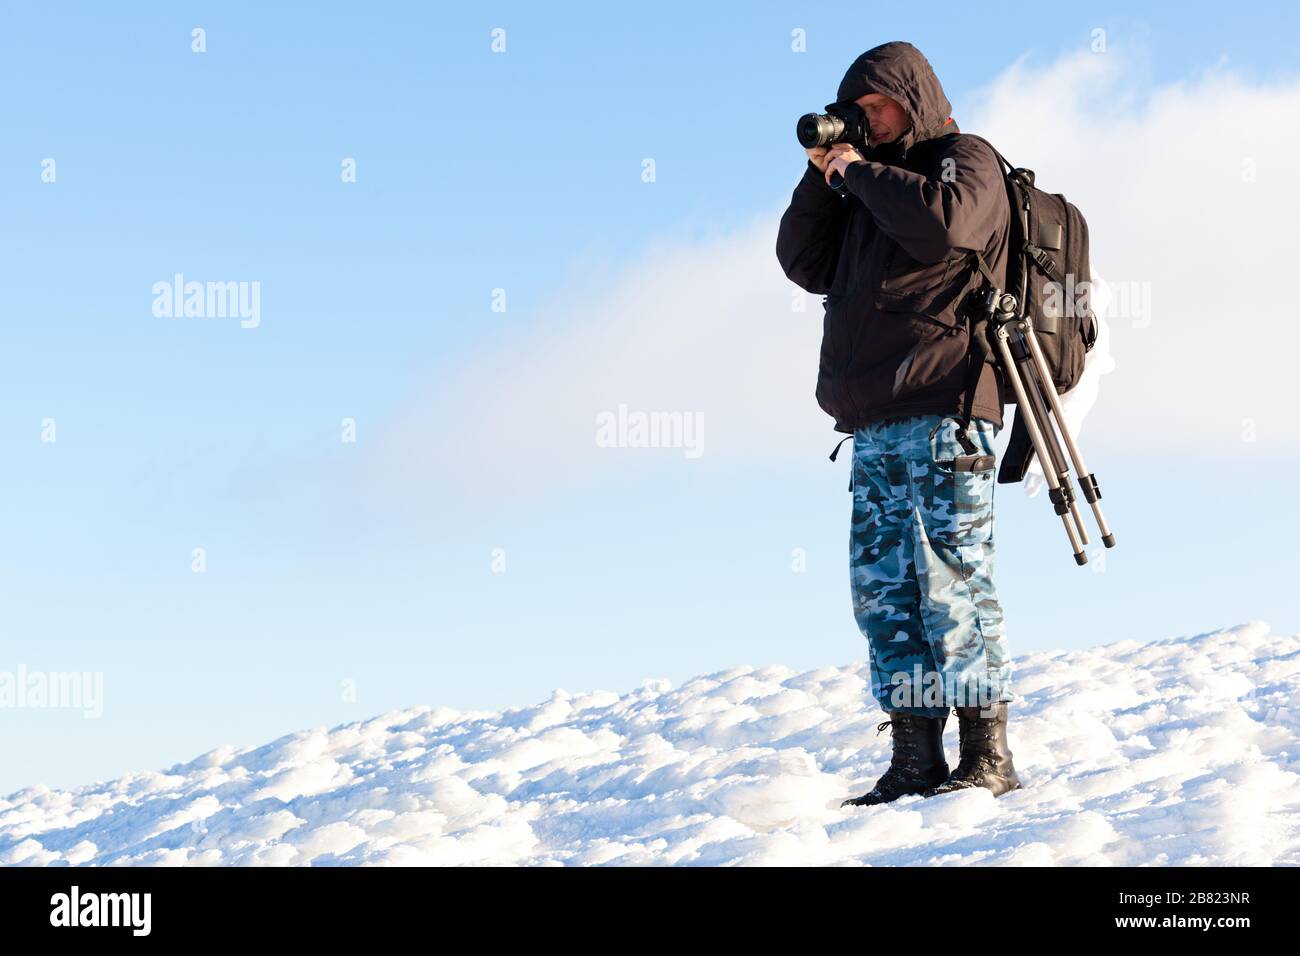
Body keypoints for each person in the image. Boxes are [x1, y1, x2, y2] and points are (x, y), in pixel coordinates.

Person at [775, 41, 1023, 805]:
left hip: (946, 408)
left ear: (912, 100)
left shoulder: (964, 158)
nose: (867, 122)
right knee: (885, 593)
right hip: (873, 422)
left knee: (954, 580)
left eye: (877, 108)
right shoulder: (862, 189)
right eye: (859, 111)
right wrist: (825, 175)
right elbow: (801, 260)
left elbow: (948, 229)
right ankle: (914, 759)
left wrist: (857, 169)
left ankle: (988, 754)